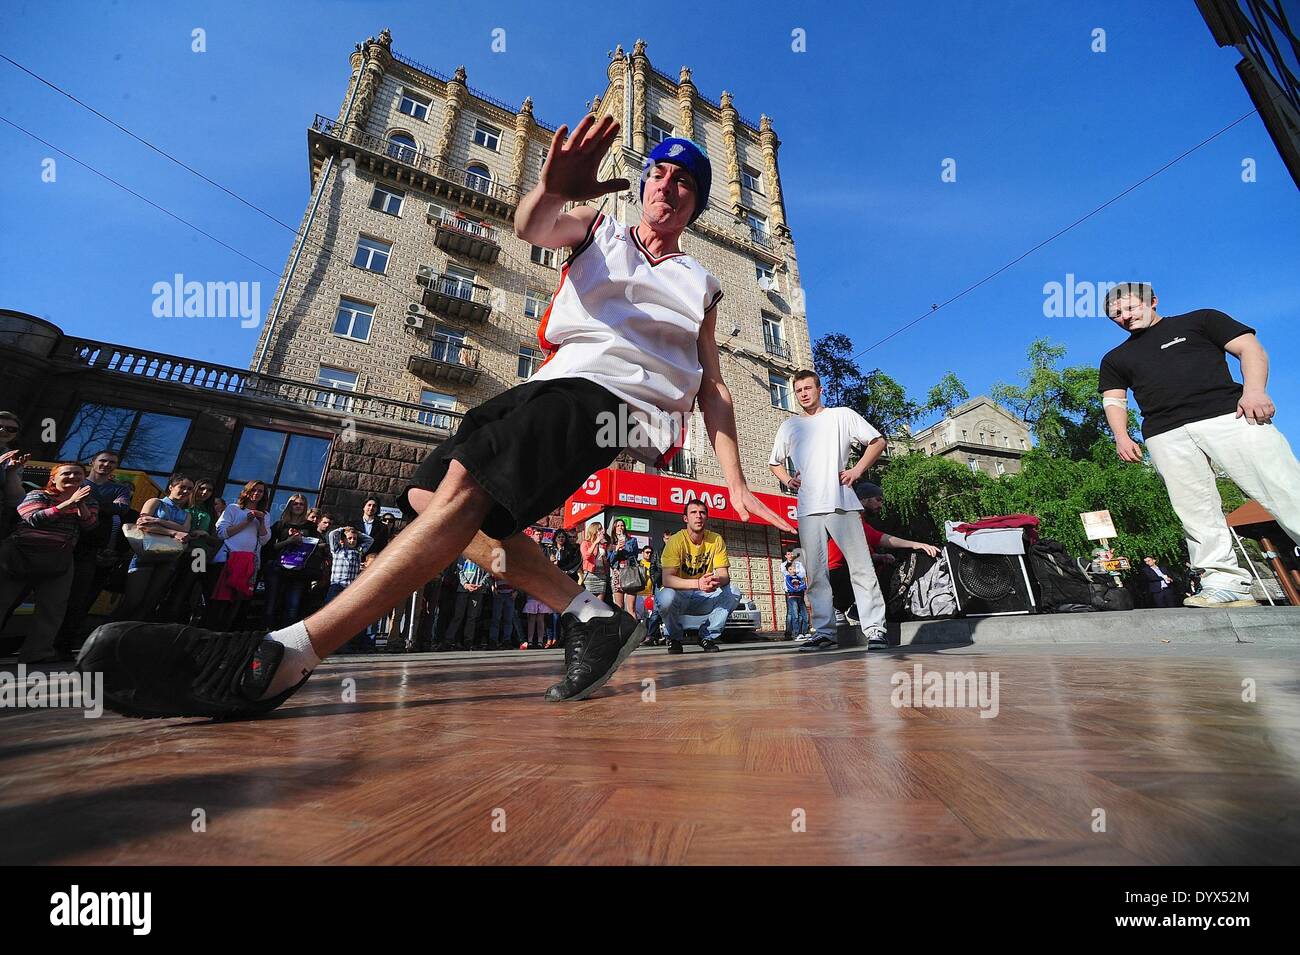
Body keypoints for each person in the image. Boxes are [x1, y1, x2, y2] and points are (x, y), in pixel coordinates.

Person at [81, 113, 791, 718]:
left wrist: (732, 479)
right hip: (555, 381)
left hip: (613, 401)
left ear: (694, 206)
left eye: (686, 183)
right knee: (426, 495)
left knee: (460, 496)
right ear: (645, 185)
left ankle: (285, 655)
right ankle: (589, 615)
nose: (669, 186)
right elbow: (532, 225)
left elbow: (715, 387)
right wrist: (553, 187)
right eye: (661, 174)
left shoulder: (700, 282)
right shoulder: (599, 229)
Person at [1099, 283, 1300, 609]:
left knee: (1283, 485)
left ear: (1152, 301)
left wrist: (1255, 391)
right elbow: (1114, 400)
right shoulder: (1115, 358)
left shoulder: (1201, 320)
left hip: (1230, 415)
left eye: (1130, 308)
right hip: (1165, 434)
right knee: (1195, 511)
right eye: (1116, 315)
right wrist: (1122, 436)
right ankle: (1224, 583)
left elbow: (1250, 349)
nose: (1124, 317)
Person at [770, 369, 890, 651]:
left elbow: (878, 441)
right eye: (799, 390)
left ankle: (875, 630)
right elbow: (774, 462)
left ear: (819, 389)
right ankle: (824, 632)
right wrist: (788, 480)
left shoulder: (842, 415)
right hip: (808, 508)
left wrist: (858, 469)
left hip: (841, 501)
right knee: (816, 573)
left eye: (808, 388)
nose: (804, 394)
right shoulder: (789, 426)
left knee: (860, 567)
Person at [0, 462, 98, 663]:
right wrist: (67, 503)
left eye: (78, 474)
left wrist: (80, 504)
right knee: (2, 601)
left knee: (52, 609)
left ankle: (37, 653)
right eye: (66, 473)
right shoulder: (38, 495)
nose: (72, 477)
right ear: (53, 478)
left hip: (59, 561)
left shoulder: (89, 502)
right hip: (20, 556)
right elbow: (34, 518)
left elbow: (90, 525)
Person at [827, 481, 940, 624]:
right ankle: (841, 607)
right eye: (877, 500)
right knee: (872, 572)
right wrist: (915, 545)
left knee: (882, 564)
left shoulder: (859, 520)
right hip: (836, 572)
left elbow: (866, 550)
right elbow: (879, 538)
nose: (880, 505)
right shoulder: (851, 518)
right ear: (864, 499)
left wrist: (880, 556)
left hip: (842, 570)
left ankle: (854, 608)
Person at [56, 449, 135, 651]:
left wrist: (86, 502)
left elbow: (122, 509)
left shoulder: (119, 489)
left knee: (82, 599)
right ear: (93, 461)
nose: (107, 464)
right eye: (103, 460)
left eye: (112, 462)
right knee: (58, 596)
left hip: (96, 553)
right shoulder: (79, 482)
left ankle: (64, 643)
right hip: (67, 545)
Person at [656, 500, 740, 653]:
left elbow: (724, 576)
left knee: (733, 592)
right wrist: (698, 583)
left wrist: (714, 581)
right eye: (693, 512)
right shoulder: (675, 541)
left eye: (702, 512)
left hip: (703, 594)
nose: (698, 516)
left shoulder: (716, 540)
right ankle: (674, 638)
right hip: (680, 594)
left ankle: (706, 636)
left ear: (706, 517)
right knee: (665, 597)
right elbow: (667, 579)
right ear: (685, 518)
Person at [114, 474, 193, 621]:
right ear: (171, 487)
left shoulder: (186, 514)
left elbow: (186, 531)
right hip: (145, 555)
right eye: (182, 487)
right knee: (133, 601)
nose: (186, 491)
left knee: (149, 603)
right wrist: (174, 531)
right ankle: (108, 634)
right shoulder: (155, 502)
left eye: (189, 489)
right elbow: (143, 524)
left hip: (168, 559)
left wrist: (158, 521)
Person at [206, 480, 271, 630]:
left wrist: (260, 522)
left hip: (248, 563)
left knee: (237, 603)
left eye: (260, 491)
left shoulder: (265, 515)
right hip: (227, 560)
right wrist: (246, 522)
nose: (256, 493)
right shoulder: (233, 509)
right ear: (246, 491)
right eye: (254, 490)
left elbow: (264, 540)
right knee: (219, 601)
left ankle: (228, 632)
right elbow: (222, 533)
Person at [162, 478, 221, 624]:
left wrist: (205, 534)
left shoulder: (211, 512)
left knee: (189, 587)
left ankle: (178, 622)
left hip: (200, 554)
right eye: (201, 488)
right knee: (166, 585)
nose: (205, 492)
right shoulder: (181, 504)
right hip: (175, 549)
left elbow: (216, 540)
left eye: (209, 490)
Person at [264, 493, 319, 629]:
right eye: (295, 503)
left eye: (301, 504)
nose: (298, 506)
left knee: (292, 606)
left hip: (299, 571)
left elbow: (316, 545)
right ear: (290, 505)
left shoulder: (310, 527)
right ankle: (266, 633)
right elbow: (270, 547)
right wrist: (288, 541)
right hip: (278, 569)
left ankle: (286, 637)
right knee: (271, 603)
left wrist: (304, 541)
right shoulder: (280, 524)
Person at [444, 557, 491, 651]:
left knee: (472, 617)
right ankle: (449, 640)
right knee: (458, 615)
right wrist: (465, 584)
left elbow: (489, 571)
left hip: (478, 590)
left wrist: (482, 584)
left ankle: (468, 641)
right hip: (463, 589)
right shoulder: (463, 555)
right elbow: (459, 570)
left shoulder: (483, 555)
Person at [0, 411, 30, 540]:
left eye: (11, 429)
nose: (3, 430)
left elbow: (15, 500)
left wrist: (11, 472)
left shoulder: (11, 458)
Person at [607, 518, 643, 615]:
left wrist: (624, 545)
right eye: (618, 526)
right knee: (619, 607)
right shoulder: (611, 543)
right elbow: (610, 561)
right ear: (614, 528)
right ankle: (620, 630)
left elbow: (634, 555)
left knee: (631, 608)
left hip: (630, 573)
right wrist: (616, 550)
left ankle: (634, 630)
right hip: (617, 574)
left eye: (622, 525)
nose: (620, 527)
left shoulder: (632, 540)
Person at [782, 547, 810, 641]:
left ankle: (804, 632)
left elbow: (802, 574)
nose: (790, 556)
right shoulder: (783, 565)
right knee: (792, 613)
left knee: (803, 613)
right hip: (790, 593)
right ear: (786, 556)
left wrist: (795, 571)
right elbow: (786, 573)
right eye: (788, 554)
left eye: (791, 554)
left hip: (800, 592)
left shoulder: (798, 564)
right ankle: (791, 633)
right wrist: (793, 571)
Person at [579, 522, 611, 603]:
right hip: (590, 575)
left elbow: (606, 559)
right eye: (599, 529)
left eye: (602, 529)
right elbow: (586, 556)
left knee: (600, 603)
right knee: (588, 603)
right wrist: (595, 542)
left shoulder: (602, 543)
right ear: (594, 531)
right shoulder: (585, 543)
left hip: (601, 576)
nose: (602, 531)